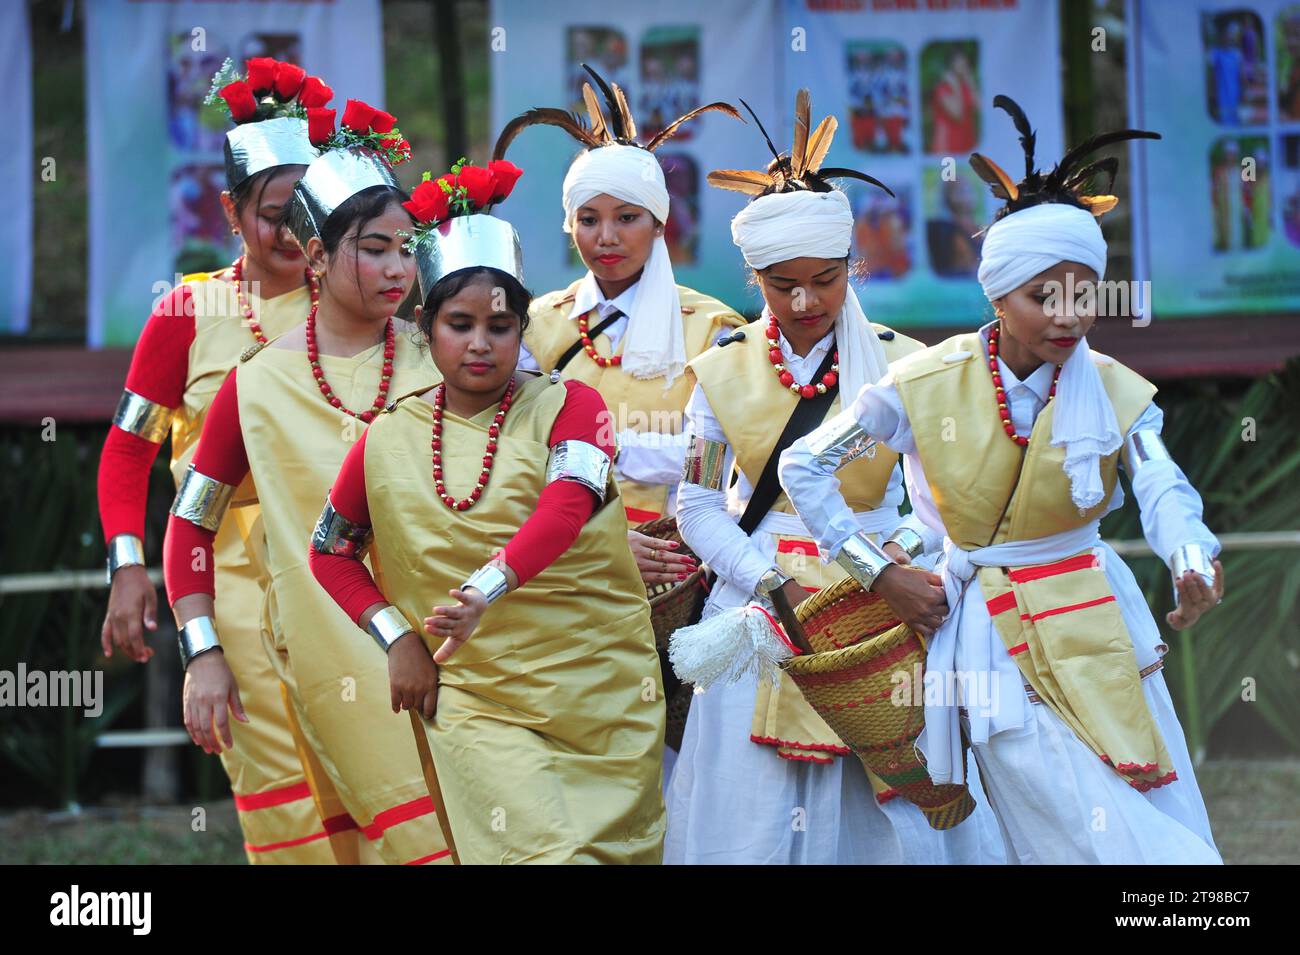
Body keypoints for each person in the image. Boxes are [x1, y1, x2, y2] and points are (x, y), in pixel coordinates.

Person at [779, 96, 1223, 864]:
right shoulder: (921, 383)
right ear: (997, 295)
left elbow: (1162, 484)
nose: (1068, 315)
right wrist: (878, 572)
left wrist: (1188, 557)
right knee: (1060, 817)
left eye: (1083, 292)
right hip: (985, 630)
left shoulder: (1114, 389)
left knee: (1145, 802)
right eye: (1042, 296)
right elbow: (803, 463)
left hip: (1096, 621)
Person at [665, 92, 1005, 865]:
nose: (806, 301)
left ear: (852, 265)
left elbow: (942, 496)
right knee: (751, 811)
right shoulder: (717, 376)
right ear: (752, 277)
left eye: (824, 278)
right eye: (783, 284)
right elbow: (695, 503)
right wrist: (771, 586)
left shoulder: (905, 364)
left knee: (891, 800)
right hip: (761, 604)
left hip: (885, 599)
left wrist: (898, 561)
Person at [308, 164, 666, 863]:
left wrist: (484, 590)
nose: (480, 343)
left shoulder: (572, 406)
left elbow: (569, 508)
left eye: (500, 326)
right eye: (460, 324)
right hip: (471, 692)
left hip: (599, 688)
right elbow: (330, 549)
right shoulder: (388, 436)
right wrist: (398, 639)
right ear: (425, 327)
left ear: (522, 328)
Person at [162, 105, 450, 865]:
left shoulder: (442, 358)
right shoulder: (255, 386)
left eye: (406, 249)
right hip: (335, 663)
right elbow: (190, 525)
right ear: (316, 256)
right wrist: (202, 651)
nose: (397, 268)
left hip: (459, 651)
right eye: (375, 248)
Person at [97, 57, 335, 863]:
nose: (295, 230)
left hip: (345, 567)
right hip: (224, 580)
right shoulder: (186, 310)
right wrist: (128, 564)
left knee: (375, 778)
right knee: (280, 796)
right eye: (272, 212)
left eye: (309, 207)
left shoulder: (358, 300)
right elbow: (130, 449)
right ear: (231, 211)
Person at [494, 64, 745, 575]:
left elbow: (722, 461)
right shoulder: (537, 325)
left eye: (626, 218)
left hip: (680, 557)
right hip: (564, 552)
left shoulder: (713, 329)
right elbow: (512, 449)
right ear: (570, 225)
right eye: (589, 220)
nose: (606, 237)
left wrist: (604, 445)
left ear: (658, 224)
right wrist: (600, 537)